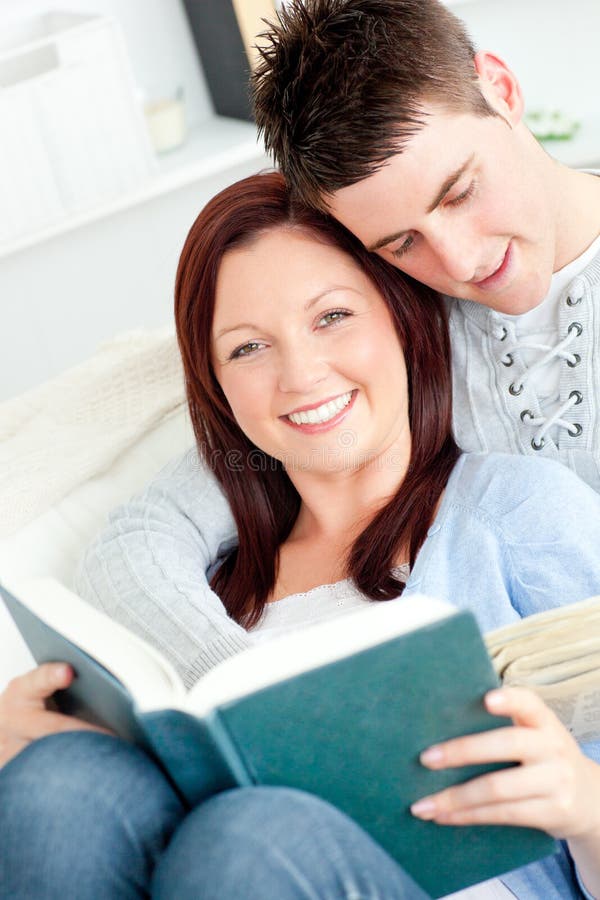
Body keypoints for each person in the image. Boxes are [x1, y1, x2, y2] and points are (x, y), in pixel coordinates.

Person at [2, 172, 600, 899]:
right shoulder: (208, 582)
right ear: (217, 386)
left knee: (252, 839)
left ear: (403, 319)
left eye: (332, 317)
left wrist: (588, 806)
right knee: (60, 783)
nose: (302, 374)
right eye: (249, 349)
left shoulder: (522, 515)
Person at [250, 0, 600, 488]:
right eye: (403, 244)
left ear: (500, 90)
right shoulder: (390, 322)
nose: (460, 264)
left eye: (459, 194)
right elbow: (161, 521)